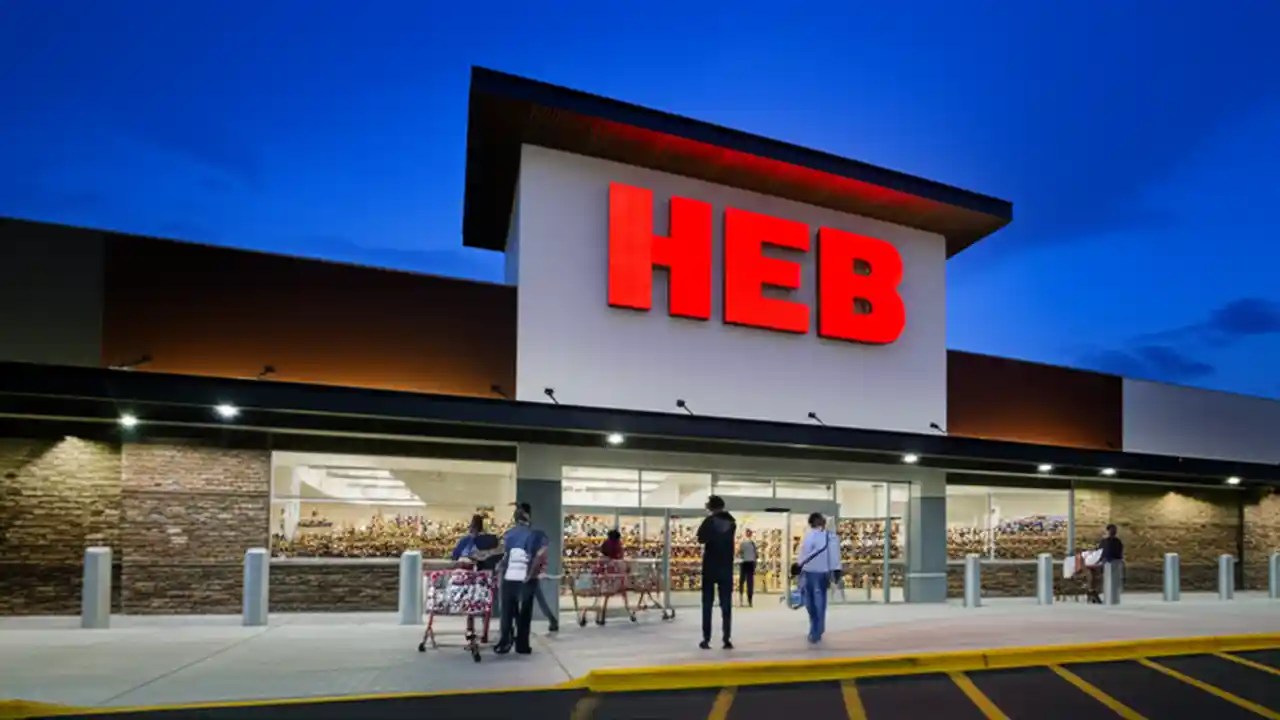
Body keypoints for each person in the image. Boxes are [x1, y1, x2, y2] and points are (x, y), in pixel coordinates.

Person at [495, 507, 546, 654]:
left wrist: (500, 571)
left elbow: (505, 557)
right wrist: (531, 575)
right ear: (528, 518)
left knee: (507, 611)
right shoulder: (535, 535)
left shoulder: (509, 534)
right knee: (524, 613)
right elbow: (538, 556)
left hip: (509, 577)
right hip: (525, 578)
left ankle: (505, 641)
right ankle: (522, 645)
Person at [697, 495, 736, 650]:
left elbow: (700, 539)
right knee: (726, 604)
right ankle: (726, 639)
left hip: (710, 566)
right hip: (726, 566)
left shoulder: (709, 522)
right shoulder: (732, 522)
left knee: (707, 604)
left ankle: (706, 639)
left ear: (711, 507)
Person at [797, 513, 841, 643]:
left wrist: (836, 569)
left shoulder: (830, 537)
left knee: (818, 603)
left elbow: (834, 555)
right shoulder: (808, 535)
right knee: (810, 603)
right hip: (807, 572)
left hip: (821, 573)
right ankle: (815, 627)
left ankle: (817, 630)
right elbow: (803, 554)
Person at [519, 502, 559, 633]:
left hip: (527, 570)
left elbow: (540, 553)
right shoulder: (534, 533)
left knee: (525, 599)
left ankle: (550, 620)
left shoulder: (530, 533)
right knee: (537, 597)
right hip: (529, 570)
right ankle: (552, 620)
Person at [1091, 524, 1124, 604]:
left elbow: (1119, 552)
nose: (1113, 532)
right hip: (1107, 563)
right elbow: (1101, 552)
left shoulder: (1116, 541)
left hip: (1113, 563)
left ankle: (1108, 597)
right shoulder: (1105, 541)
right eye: (1112, 530)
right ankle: (1095, 593)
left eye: (1114, 530)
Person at [737, 528, 758, 607]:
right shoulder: (753, 543)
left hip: (744, 563)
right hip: (750, 563)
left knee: (742, 581)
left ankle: (741, 599)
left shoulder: (743, 543)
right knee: (750, 582)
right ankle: (749, 600)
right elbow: (756, 555)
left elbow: (739, 553)